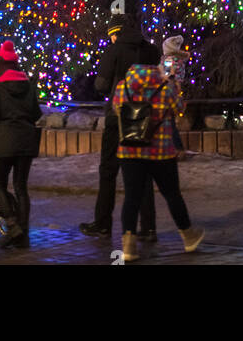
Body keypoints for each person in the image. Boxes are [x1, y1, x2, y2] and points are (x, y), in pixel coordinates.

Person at [79, 13, 160, 240]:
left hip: (117, 117)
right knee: (141, 173)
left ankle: (103, 223)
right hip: (143, 116)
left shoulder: (114, 51)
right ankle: (149, 228)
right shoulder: (151, 50)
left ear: (115, 34)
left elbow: (101, 85)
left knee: (108, 171)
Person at [114, 61, 203, 261]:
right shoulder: (166, 86)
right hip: (160, 152)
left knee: (131, 198)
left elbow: (116, 108)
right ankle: (189, 237)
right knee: (172, 194)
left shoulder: (124, 85)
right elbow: (180, 109)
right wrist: (177, 91)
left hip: (130, 150)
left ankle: (128, 246)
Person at [0, 40, 42, 249]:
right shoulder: (28, 84)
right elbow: (36, 113)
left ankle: (13, 227)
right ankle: (24, 235)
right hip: (27, 140)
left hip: (6, 140)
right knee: (21, 187)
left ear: (0, 63)